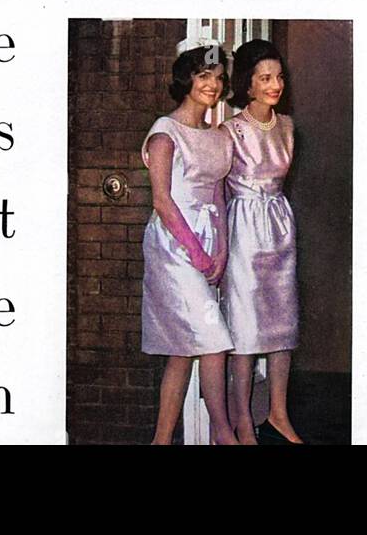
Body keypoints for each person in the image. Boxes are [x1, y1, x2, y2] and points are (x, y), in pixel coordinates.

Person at [141, 42, 239, 445]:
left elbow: (218, 196)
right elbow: (162, 202)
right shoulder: (166, 131)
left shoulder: (218, 136)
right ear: (187, 80)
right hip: (173, 245)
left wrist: (220, 250)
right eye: (203, 76)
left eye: (218, 78)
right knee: (214, 340)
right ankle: (223, 433)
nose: (212, 85)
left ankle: (161, 441)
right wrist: (197, 253)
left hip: (208, 240)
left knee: (182, 350)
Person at [221, 40, 302, 445]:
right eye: (265, 78)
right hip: (244, 233)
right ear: (248, 85)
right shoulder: (230, 130)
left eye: (279, 76)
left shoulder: (287, 126)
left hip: (280, 229)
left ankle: (278, 414)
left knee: (283, 326)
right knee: (246, 329)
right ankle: (241, 423)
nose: (275, 85)